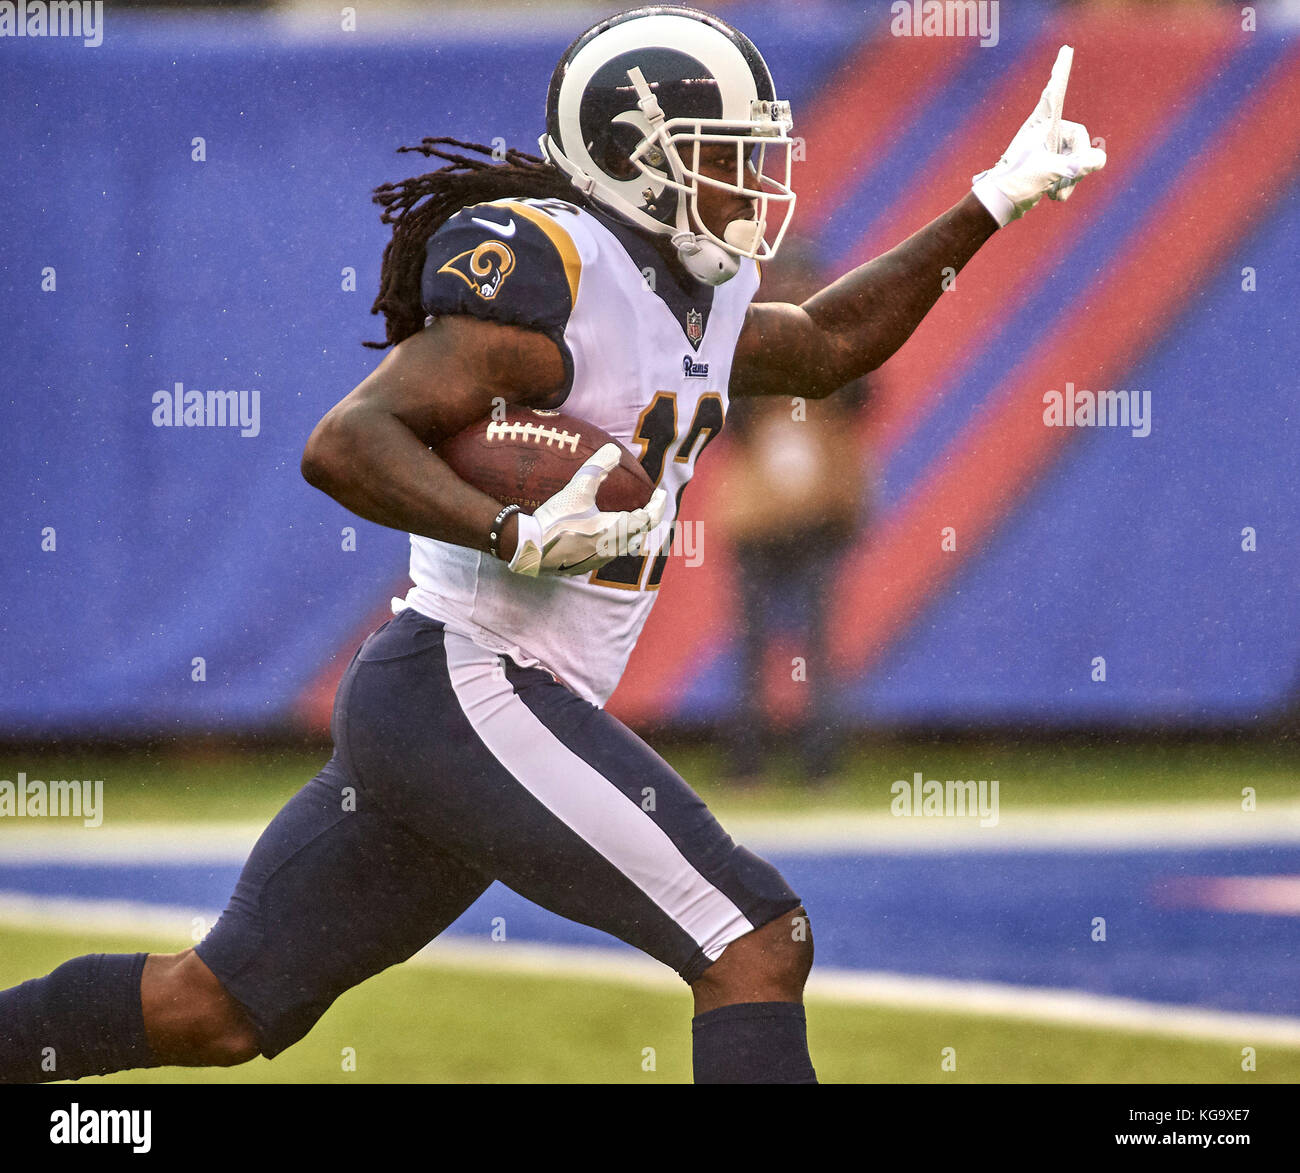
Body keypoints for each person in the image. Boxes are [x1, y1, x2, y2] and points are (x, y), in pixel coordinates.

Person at [0, 7, 1104, 1084]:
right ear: (634, 159)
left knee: (211, 1012)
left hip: (465, 702)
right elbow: (347, 440)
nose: (753, 180)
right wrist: (511, 528)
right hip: (467, 681)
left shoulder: (700, 292)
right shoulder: (556, 264)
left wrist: (990, 202)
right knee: (756, 939)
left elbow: (825, 345)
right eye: (723, 155)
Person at [717, 241, 870, 784]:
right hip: (760, 518)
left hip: (816, 518)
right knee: (755, 649)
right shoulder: (748, 349)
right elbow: (728, 419)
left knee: (818, 647)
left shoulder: (840, 350)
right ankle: (748, 761)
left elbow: (861, 399)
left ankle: (818, 764)